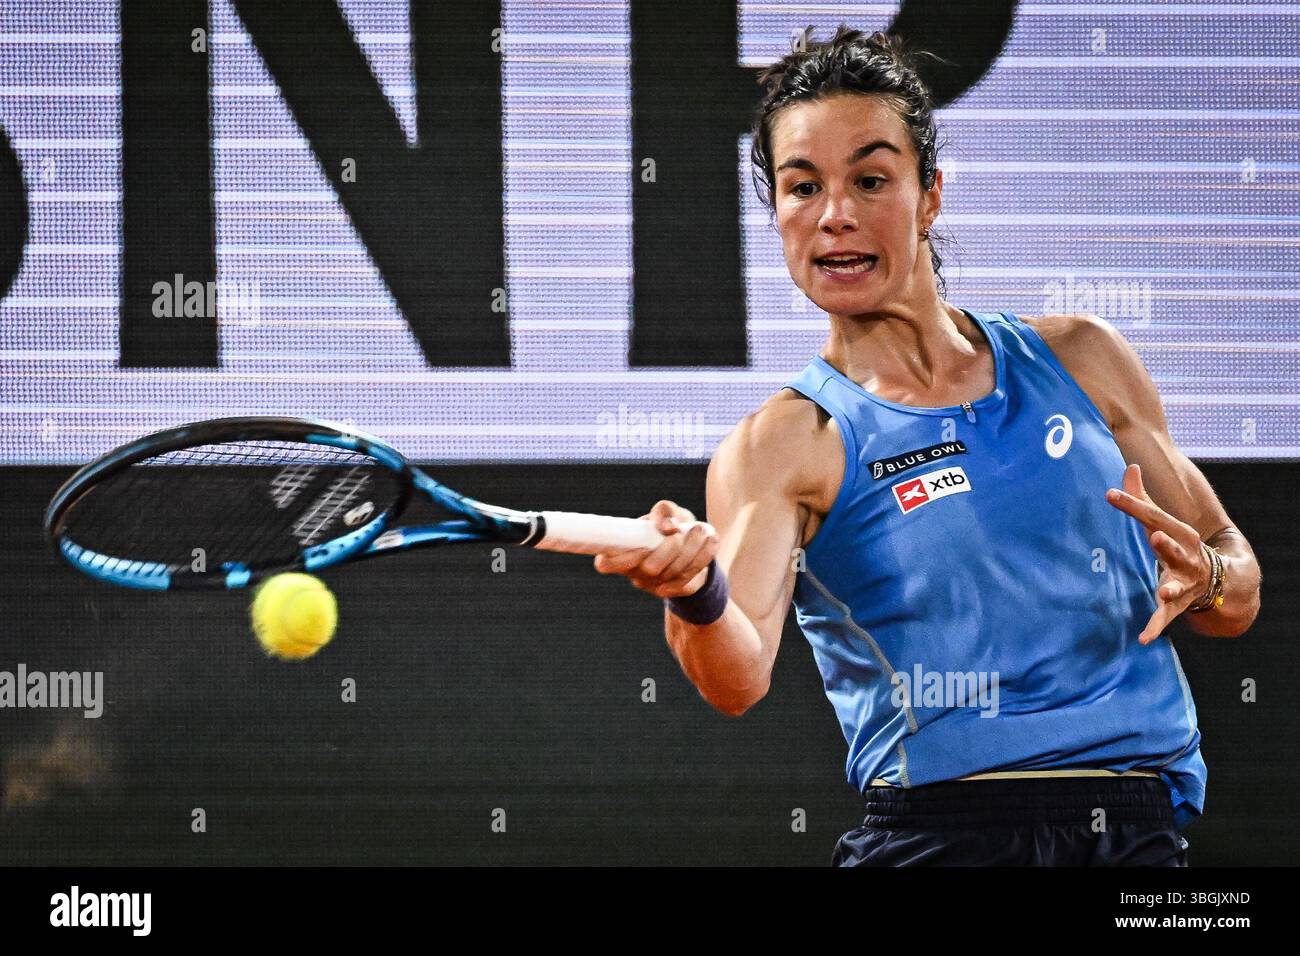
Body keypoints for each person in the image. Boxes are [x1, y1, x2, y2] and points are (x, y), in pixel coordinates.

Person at [594, 27, 1262, 866]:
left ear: (931, 194)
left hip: (1140, 832)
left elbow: (1239, 589)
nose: (836, 214)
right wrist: (693, 591)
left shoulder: (1085, 361)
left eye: (871, 179)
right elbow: (738, 677)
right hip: (940, 838)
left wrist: (1206, 578)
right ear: (779, 216)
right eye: (803, 187)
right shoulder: (783, 446)